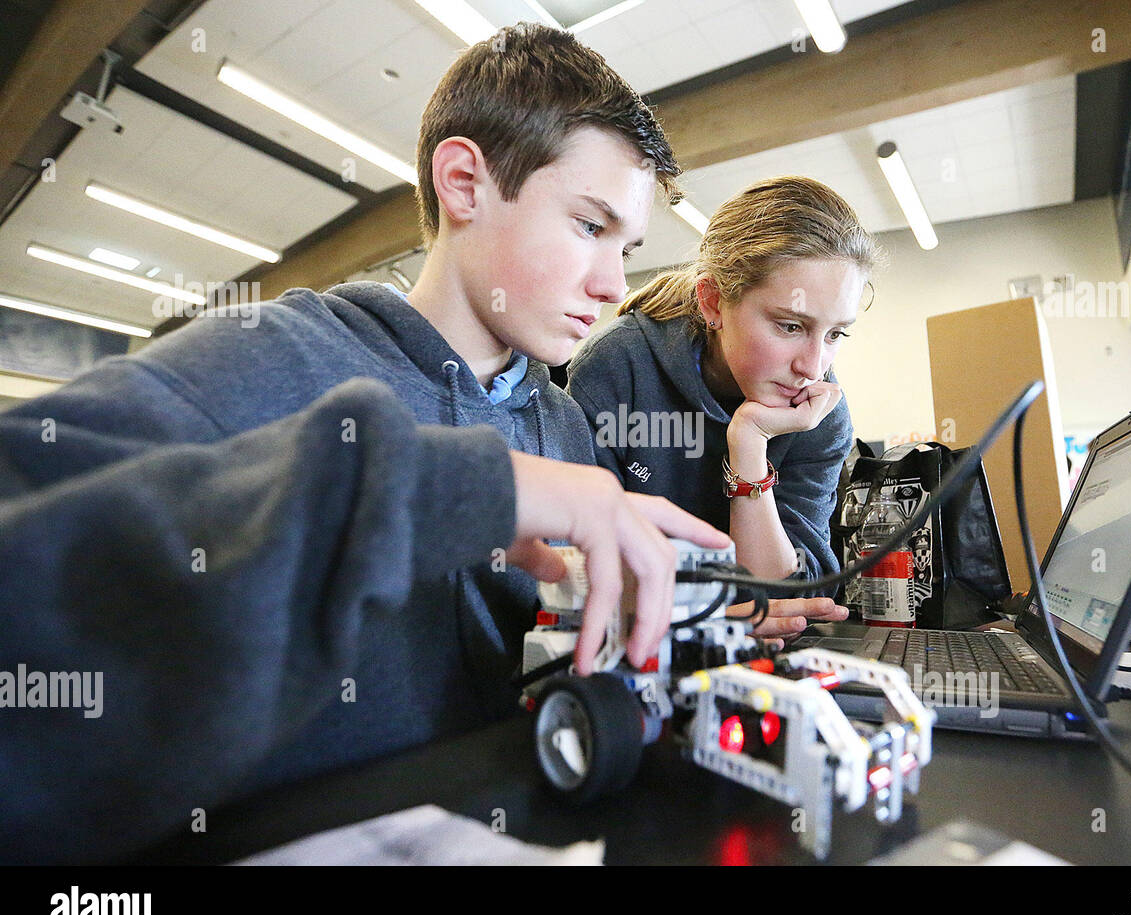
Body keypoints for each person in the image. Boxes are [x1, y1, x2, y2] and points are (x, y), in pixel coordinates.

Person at [0, 22, 728, 864]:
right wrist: (436, 485)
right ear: (463, 182)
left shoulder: (563, 427)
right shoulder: (269, 356)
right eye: (588, 226)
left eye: (627, 248)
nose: (611, 286)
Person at [566, 176, 882, 634]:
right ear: (713, 302)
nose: (813, 366)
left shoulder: (820, 413)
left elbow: (788, 602)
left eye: (835, 334)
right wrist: (716, 618)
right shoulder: (617, 368)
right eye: (790, 326)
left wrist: (749, 444)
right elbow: (582, 572)